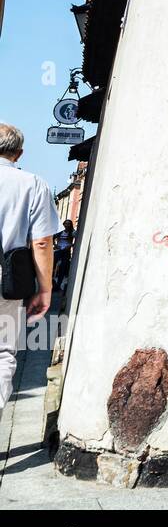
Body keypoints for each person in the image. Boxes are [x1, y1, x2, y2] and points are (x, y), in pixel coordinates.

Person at [0, 123, 58, 412]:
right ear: (18, 154)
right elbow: (43, 243)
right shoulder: (33, 184)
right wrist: (45, 290)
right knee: (2, 354)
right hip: (7, 283)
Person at [53, 219, 76, 292]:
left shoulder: (72, 232)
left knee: (62, 269)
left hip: (66, 252)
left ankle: (58, 285)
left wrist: (70, 245)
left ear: (71, 225)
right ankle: (52, 282)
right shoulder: (59, 231)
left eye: (68, 224)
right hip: (58, 251)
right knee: (52, 266)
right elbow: (52, 238)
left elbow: (77, 240)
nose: (67, 225)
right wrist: (55, 245)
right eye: (65, 223)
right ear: (63, 224)